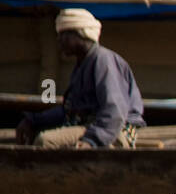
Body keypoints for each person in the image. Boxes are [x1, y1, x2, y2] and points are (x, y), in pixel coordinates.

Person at [15, 9, 144, 149]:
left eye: (63, 35)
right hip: (92, 126)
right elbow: (69, 110)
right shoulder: (82, 64)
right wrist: (33, 120)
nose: (59, 40)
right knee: (37, 134)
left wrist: (92, 141)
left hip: (115, 132)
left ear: (80, 34)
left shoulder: (103, 61)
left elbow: (114, 112)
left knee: (45, 141)